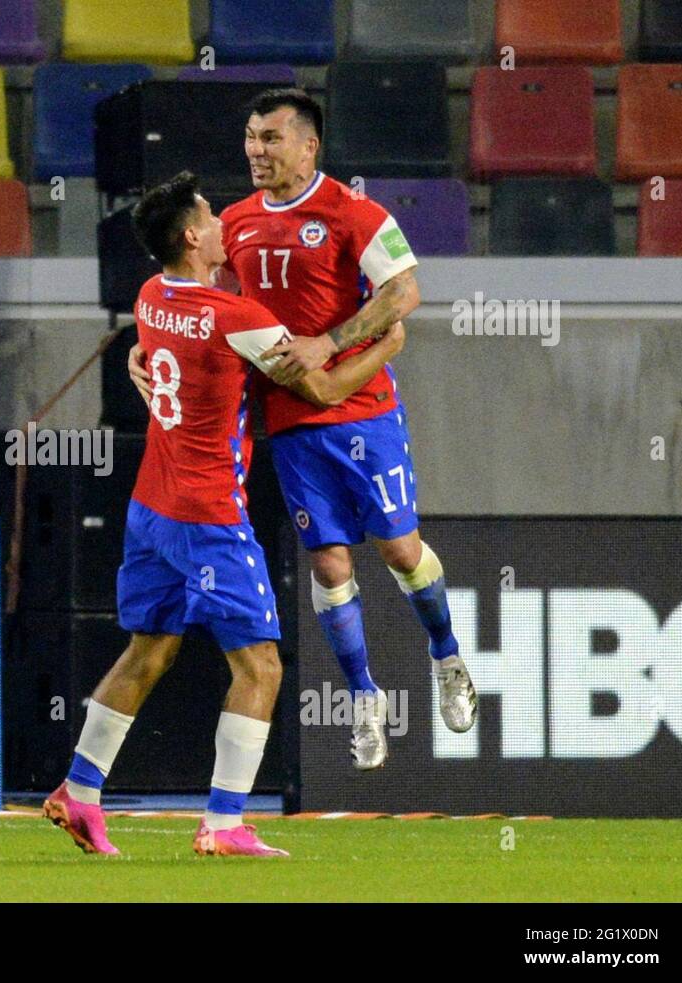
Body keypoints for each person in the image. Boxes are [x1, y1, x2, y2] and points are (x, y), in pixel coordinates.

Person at [47, 172, 405, 857]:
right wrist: (387, 345)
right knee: (262, 667)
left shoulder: (152, 297)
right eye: (212, 218)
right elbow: (323, 387)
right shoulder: (238, 319)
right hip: (210, 514)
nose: (223, 226)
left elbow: (155, 353)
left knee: (148, 649)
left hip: (152, 507)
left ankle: (79, 793)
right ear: (191, 237)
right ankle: (223, 823)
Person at [130, 89, 477, 771]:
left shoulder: (353, 212)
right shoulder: (234, 222)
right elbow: (187, 294)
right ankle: (364, 699)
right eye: (251, 138)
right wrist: (141, 350)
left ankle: (446, 657)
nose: (257, 151)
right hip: (288, 416)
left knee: (400, 550)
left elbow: (404, 292)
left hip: (363, 408)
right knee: (328, 562)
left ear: (308, 145)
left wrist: (332, 339)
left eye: (271, 138)